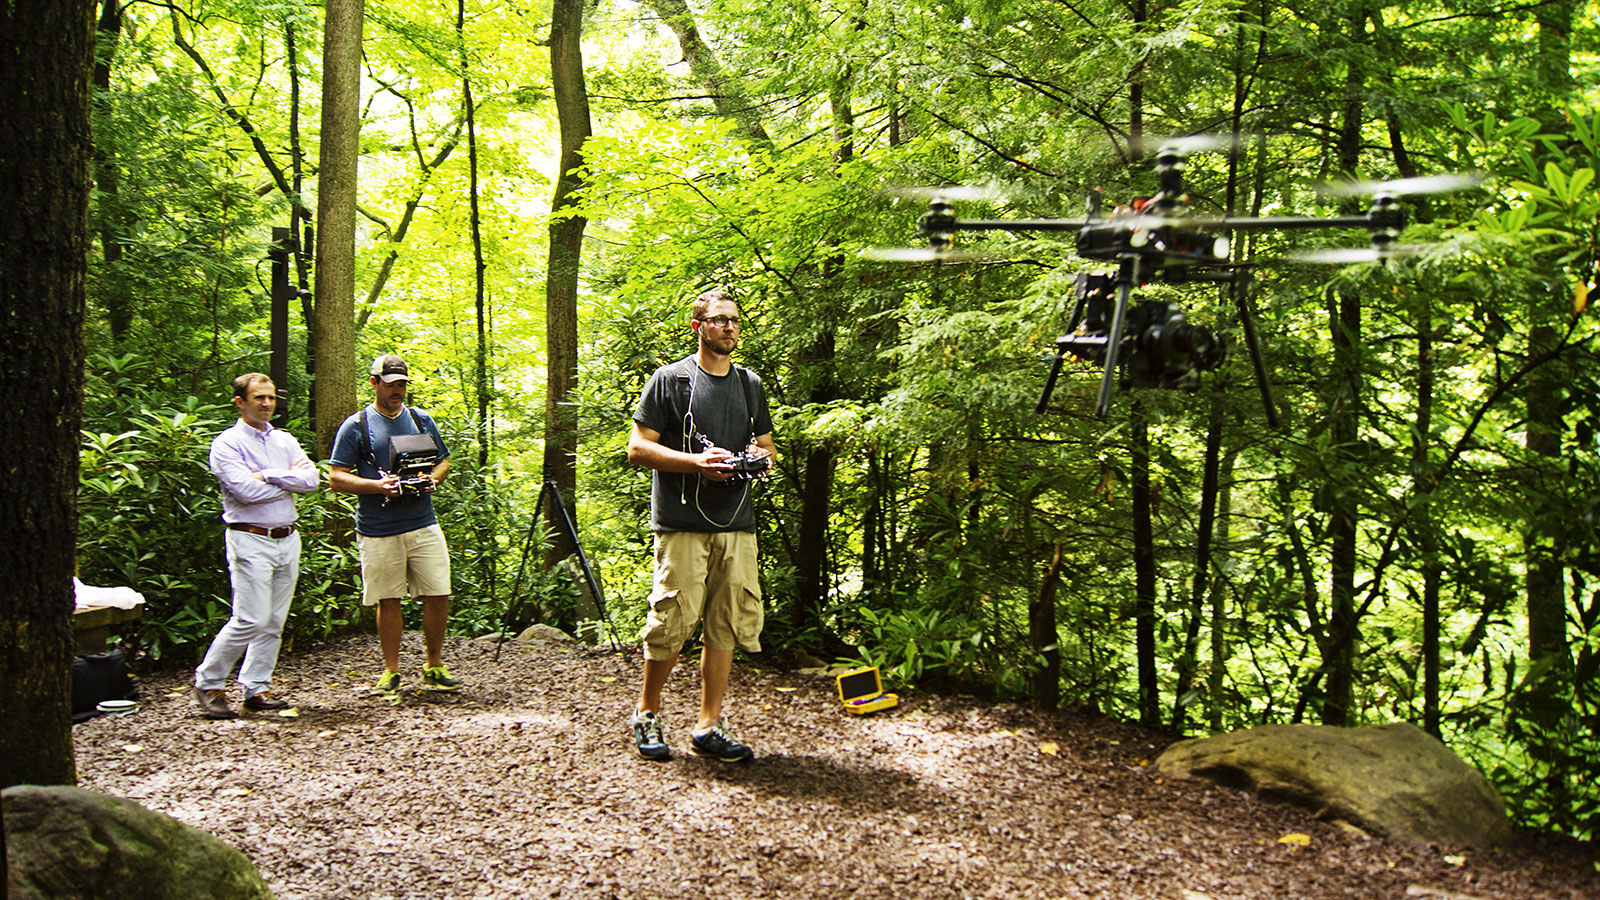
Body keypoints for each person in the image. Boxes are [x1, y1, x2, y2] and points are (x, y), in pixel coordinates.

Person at [626, 288, 777, 762]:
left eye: (734, 320)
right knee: (672, 620)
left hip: (737, 523)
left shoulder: (750, 384)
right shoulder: (670, 381)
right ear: (698, 327)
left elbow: (769, 447)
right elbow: (637, 448)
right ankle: (647, 713)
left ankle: (708, 725)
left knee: (727, 622)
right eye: (719, 319)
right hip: (682, 523)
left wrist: (756, 459)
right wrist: (697, 463)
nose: (729, 327)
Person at [328, 354, 460, 694]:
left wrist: (433, 479)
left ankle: (433, 665)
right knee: (388, 599)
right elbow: (336, 477)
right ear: (374, 383)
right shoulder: (356, 425)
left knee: (438, 592)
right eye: (390, 385)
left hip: (422, 521)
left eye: (401, 384)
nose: (396, 391)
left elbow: (443, 462)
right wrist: (377, 486)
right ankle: (391, 671)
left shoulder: (420, 419)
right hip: (378, 527)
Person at [194, 373, 319, 719]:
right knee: (250, 617)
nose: (267, 404)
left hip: (287, 537)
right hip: (249, 537)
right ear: (240, 402)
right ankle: (209, 682)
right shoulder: (227, 444)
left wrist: (266, 474)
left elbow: (311, 480)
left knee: (274, 620)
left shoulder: (284, 440)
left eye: (271, 398)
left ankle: (256, 687)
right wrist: (288, 479)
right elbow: (244, 492)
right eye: (259, 398)